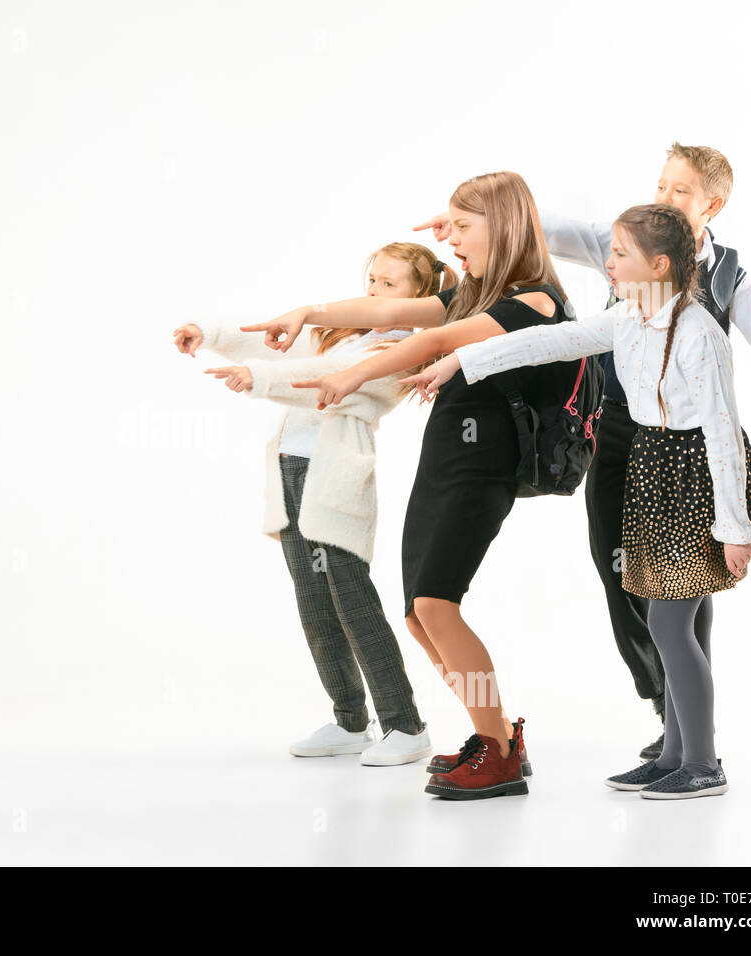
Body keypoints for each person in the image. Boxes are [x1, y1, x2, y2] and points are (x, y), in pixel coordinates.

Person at [415, 142, 751, 759]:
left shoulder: (705, 318)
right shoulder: (630, 299)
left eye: (680, 190)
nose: (608, 263)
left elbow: (734, 418)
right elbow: (553, 338)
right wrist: (461, 357)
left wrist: (749, 505)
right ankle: (675, 729)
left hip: (690, 459)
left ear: (711, 208)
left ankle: (695, 753)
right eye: (662, 184)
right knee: (631, 578)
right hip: (632, 439)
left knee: (675, 612)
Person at [240, 171, 578, 800]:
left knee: (436, 608)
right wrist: (310, 311)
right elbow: (391, 310)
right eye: (448, 224)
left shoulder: (533, 302)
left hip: (482, 467)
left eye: (464, 225)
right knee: (420, 617)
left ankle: (497, 750)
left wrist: (355, 373)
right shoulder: (477, 293)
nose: (452, 239)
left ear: (501, 227)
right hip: (446, 462)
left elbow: (438, 339)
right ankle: (498, 731)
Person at [173, 243, 456, 766]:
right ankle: (350, 720)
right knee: (314, 602)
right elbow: (270, 343)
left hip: (334, 479)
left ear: (419, 297)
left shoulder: (401, 351)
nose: (374, 292)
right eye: (373, 280)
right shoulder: (343, 331)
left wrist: (259, 381)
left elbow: (325, 387)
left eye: (390, 285)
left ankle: (405, 725)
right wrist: (208, 334)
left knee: (352, 599)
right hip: (289, 470)